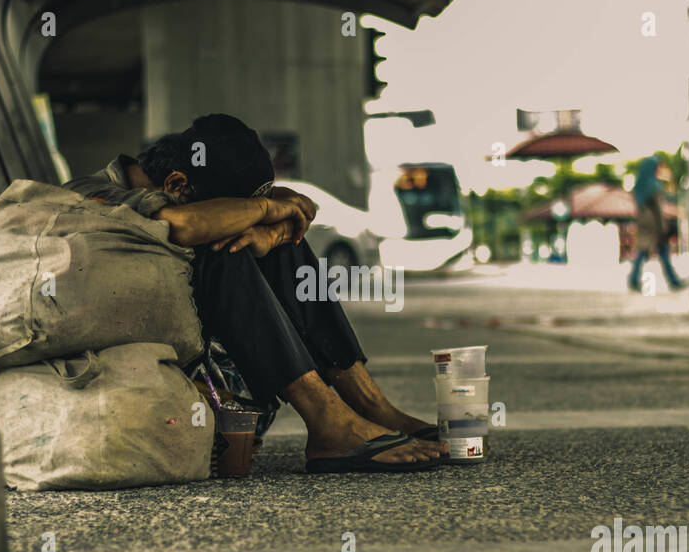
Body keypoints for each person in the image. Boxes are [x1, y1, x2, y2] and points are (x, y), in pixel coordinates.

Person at [64, 114, 447, 473]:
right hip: (136, 349)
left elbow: (299, 205)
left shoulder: (177, 184)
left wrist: (275, 232)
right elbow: (186, 225)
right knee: (222, 248)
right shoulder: (89, 194)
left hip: (208, 356)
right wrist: (262, 210)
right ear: (177, 185)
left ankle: (368, 404)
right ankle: (328, 420)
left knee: (279, 245)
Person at [628, 156, 686, 291]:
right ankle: (673, 281)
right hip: (654, 223)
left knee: (644, 251)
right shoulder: (654, 185)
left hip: (643, 221)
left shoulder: (639, 186)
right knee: (663, 251)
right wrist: (663, 225)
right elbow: (658, 210)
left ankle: (634, 279)